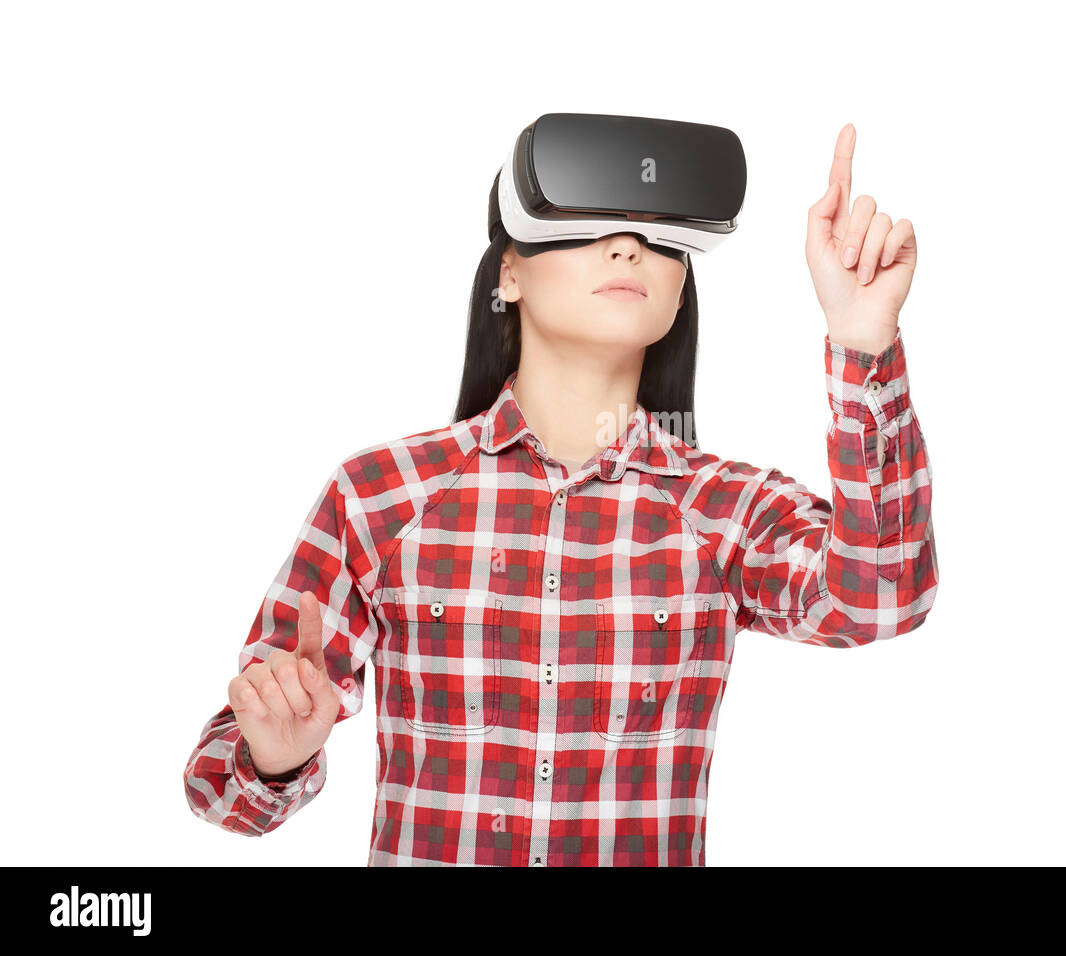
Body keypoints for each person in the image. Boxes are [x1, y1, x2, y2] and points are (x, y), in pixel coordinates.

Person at [182, 121, 939, 865]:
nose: (626, 245)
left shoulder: (722, 510)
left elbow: (880, 598)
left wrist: (863, 340)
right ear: (509, 273)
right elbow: (218, 790)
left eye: (657, 234)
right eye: (588, 225)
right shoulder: (382, 496)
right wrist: (273, 754)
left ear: (679, 290)